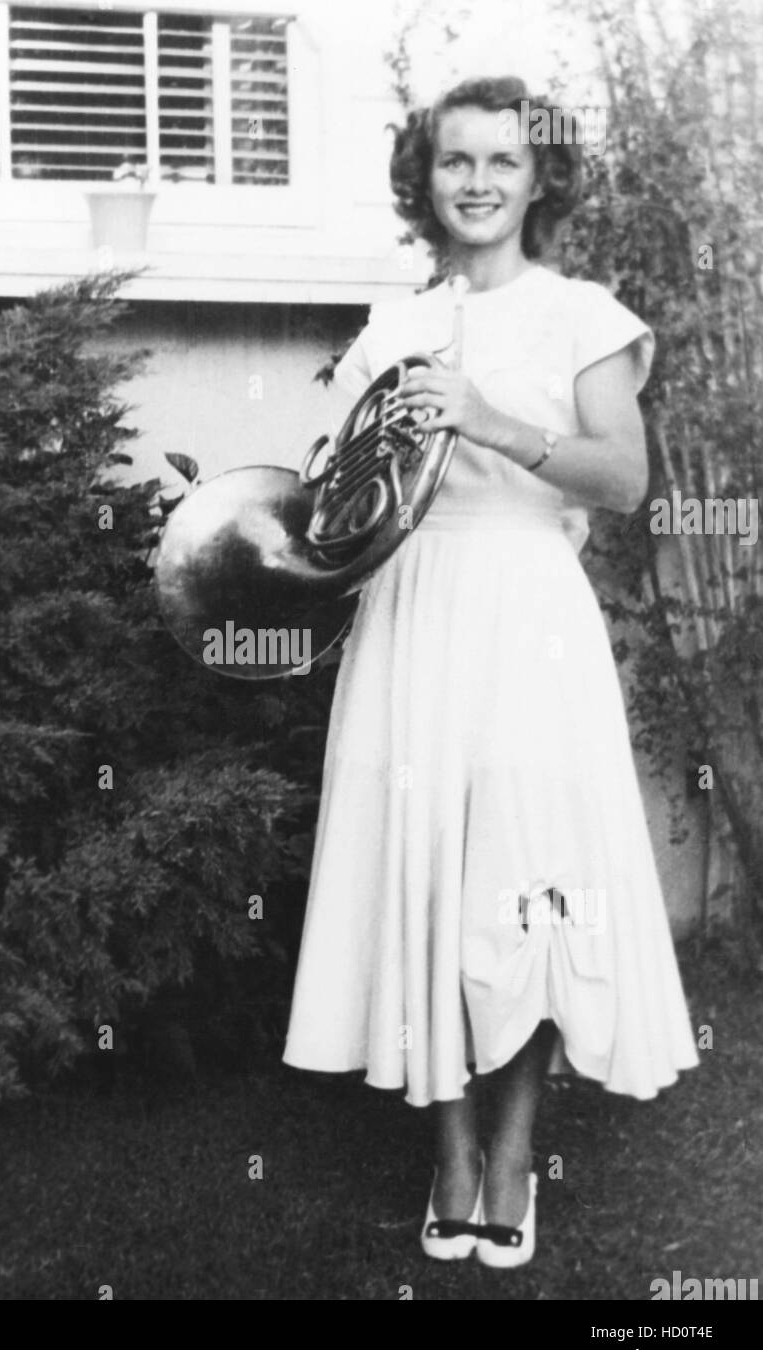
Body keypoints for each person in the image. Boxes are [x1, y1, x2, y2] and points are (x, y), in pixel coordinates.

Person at [282, 75, 699, 1268]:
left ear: (537, 180)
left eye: (500, 162)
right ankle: (449, 1155)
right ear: (426, 181)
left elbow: (622, 482)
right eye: (453, 162)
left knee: (521, 878)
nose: (474, 182)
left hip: (526, 616)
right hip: (413, 616)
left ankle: (514, 1158)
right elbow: (339, 501)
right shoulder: (391, 325)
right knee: (426, 880)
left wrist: (482, 417)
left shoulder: (583, 316)